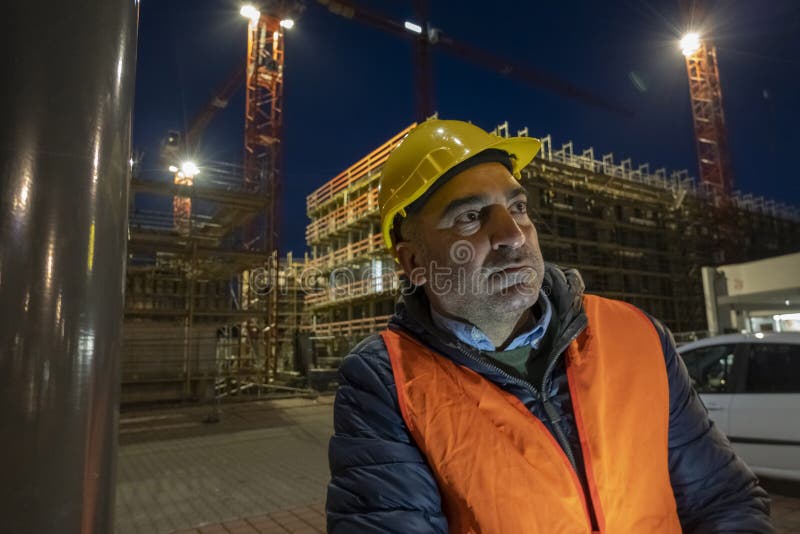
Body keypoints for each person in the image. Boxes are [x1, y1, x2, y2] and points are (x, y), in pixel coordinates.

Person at [326, 119, 773, 533]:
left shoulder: (636, 334)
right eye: (469, 217)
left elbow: (723, 500)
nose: (512, 234)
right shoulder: (387, 382)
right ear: (414, 261)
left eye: (517, 206)